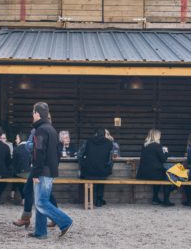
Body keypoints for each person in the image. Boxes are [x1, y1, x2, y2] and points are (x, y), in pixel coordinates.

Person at [29, 102, 72, 239]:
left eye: (33, 113)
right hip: (50, 171)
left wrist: (36, 172)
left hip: (42, 171)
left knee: (41, 202)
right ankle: (40, 232)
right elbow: (56, 153)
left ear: (37, 113)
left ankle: (65, 222)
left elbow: (39, 152)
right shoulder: (51, 129)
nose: (32, 115)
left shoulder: (41, 130)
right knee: (41, 201)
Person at [79, 128, 116, 207]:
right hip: (102, 172)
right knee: (101, 177)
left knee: (87, 177)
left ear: (95, 134)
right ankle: (99, 200)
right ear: (104, 134)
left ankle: (88, 199)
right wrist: (108, 167)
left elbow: (80, 154)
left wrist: (83, 164)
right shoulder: (109, 143)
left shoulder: (88, 141)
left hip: (88, 171)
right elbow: (110, 158)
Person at [137, 129, 173, 206]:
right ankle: (166, 201)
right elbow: (163, 160)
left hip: (143, 173)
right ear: (156, 136)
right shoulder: (157, 146)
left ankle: (155, 198)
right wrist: (166, 152)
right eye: (159, 135)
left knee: (159, 175)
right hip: (154, 173)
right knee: (168, 177)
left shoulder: (145, 145)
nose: (160, 136)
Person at [10, 130, 35, 226]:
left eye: (16, 138)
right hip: (31, 172)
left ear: (20, 139)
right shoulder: (31, 148)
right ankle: (23, 199)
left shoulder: (16, 149)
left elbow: (14, 165)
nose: (15, 140)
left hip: (21, 173)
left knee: (17, 175)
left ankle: (15, 194)